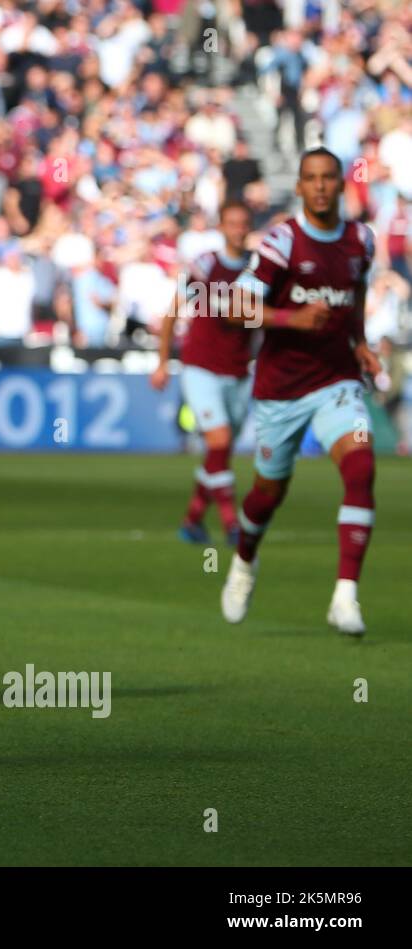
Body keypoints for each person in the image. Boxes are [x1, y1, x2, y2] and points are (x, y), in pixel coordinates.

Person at [221, 148, 381, 636]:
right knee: (268, 494)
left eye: (329, 178)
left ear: (340, 184)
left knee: (361, 465)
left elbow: (354, 298)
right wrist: (291, 317)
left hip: (336, 381)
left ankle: (345, 596)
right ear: (299, 186)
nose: (320, 186)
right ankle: (244, 561)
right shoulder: (282, 243)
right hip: (280, 389)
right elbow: (233, 307)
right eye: (311, 178)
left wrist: (361, 343)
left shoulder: (361, 241)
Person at [151, 201, 256, 545]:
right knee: (219, 441)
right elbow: (172, 314)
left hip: (239, 370)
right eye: (232, 223)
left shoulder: (258, 269)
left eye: (244, 224)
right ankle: (232, 525)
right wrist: (163, 361)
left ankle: (192, 520)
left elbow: (265, 322)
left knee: (218, 453)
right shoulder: (205, 266)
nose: (238, 230)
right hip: (201, 367)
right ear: (222, 227)